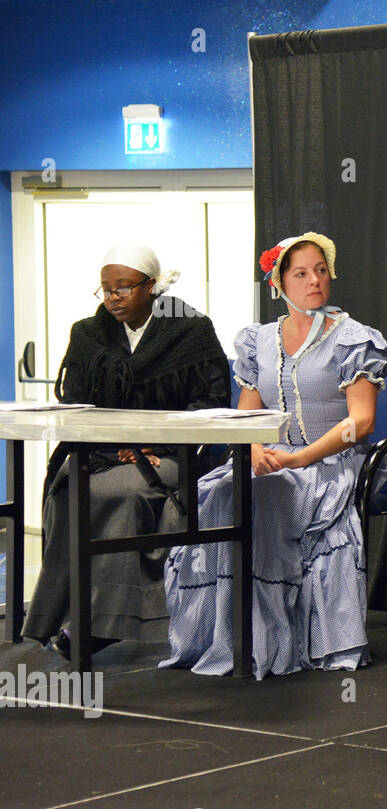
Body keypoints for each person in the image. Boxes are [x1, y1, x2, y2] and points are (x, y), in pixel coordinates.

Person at [161, 232, 387, 679]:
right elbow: (246, 416)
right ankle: (228, 636)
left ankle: (271, 643)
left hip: (330, 462)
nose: (314, 282)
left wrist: (298, 459)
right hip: (271, 459)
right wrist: (253, 451)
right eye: (301, 273)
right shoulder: (258, 341)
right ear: (279, 283)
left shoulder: (352, 339)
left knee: (262, 500)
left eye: (321, 272)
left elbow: (360, 423)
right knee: (225, 494)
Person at [22, 244, 230, 659]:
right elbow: (75, 404)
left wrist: (153, 442)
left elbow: (210, 403)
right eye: (106, 289)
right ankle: (55, 614)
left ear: (150, 286)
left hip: (171, 455)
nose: (113, 298)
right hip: (101, 453)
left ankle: (97, 627)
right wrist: (114, 445)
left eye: (124, 288)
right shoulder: (87, 335)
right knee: (68, 489)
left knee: (125, 492)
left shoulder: (191, 331)